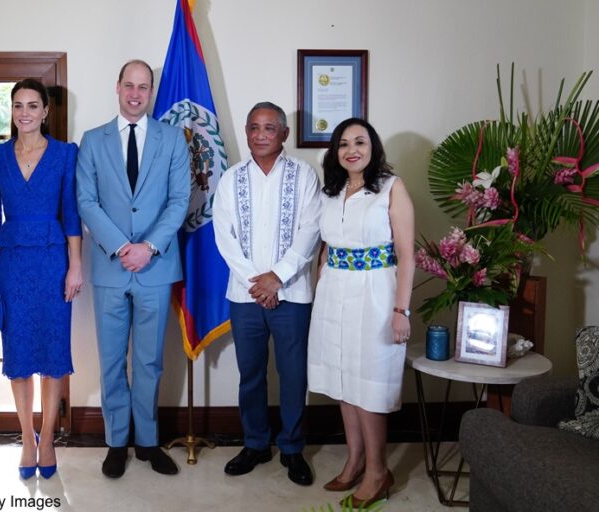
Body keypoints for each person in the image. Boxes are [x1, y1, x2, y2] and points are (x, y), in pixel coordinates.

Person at [76, 59, 190, 478]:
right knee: (110, 361)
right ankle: (115, 443)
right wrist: (124, 246)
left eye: (144, 87)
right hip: (110, 268)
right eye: (130, 85)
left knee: (148, 362)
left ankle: (147, 442)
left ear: (151, 90)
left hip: (155, 268)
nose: (136, 94)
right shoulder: (92, 141)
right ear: (117, 86)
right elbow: (86, 201)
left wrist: (149, 247)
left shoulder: (173, 139)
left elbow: (180, 200)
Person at [0, 78, 83, 480]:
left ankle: (48, 439)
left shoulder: (63, 154)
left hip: (54, 262)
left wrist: (76, 266)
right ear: (13, 111)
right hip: (14, 266)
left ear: (45, 112)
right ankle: (26, 437)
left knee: (54, 354)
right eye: (18, 105)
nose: (25, 113)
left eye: (33, 105)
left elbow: (71, 215)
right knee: (19, 355)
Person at [307, 118, 415, 508]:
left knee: (368, 382)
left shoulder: (391, 188)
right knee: (343, 378)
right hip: (335, 290)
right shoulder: (331, 192)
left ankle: (377, 472)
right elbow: (325, 244)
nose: (352, 149)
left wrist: (401, 310)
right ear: (335, 152)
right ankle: (353, 461)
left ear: (373, 147)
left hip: (376, 292)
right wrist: (321, 279)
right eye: (344, 144)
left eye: (360, 142)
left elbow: (406, 254)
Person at [213, 102, 321, 486]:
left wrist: (277, 278)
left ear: (285, 134)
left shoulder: (305, 175)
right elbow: (223, 237)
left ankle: (292, 448)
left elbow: (311, 230)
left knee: (292, 375)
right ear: (246, 132)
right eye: (254, 127)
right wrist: (257, 284)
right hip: (245, 297)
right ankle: (256, 443)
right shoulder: (231, 179)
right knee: (251, 374)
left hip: (292, 294)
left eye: (269, 128)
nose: (260, 135)